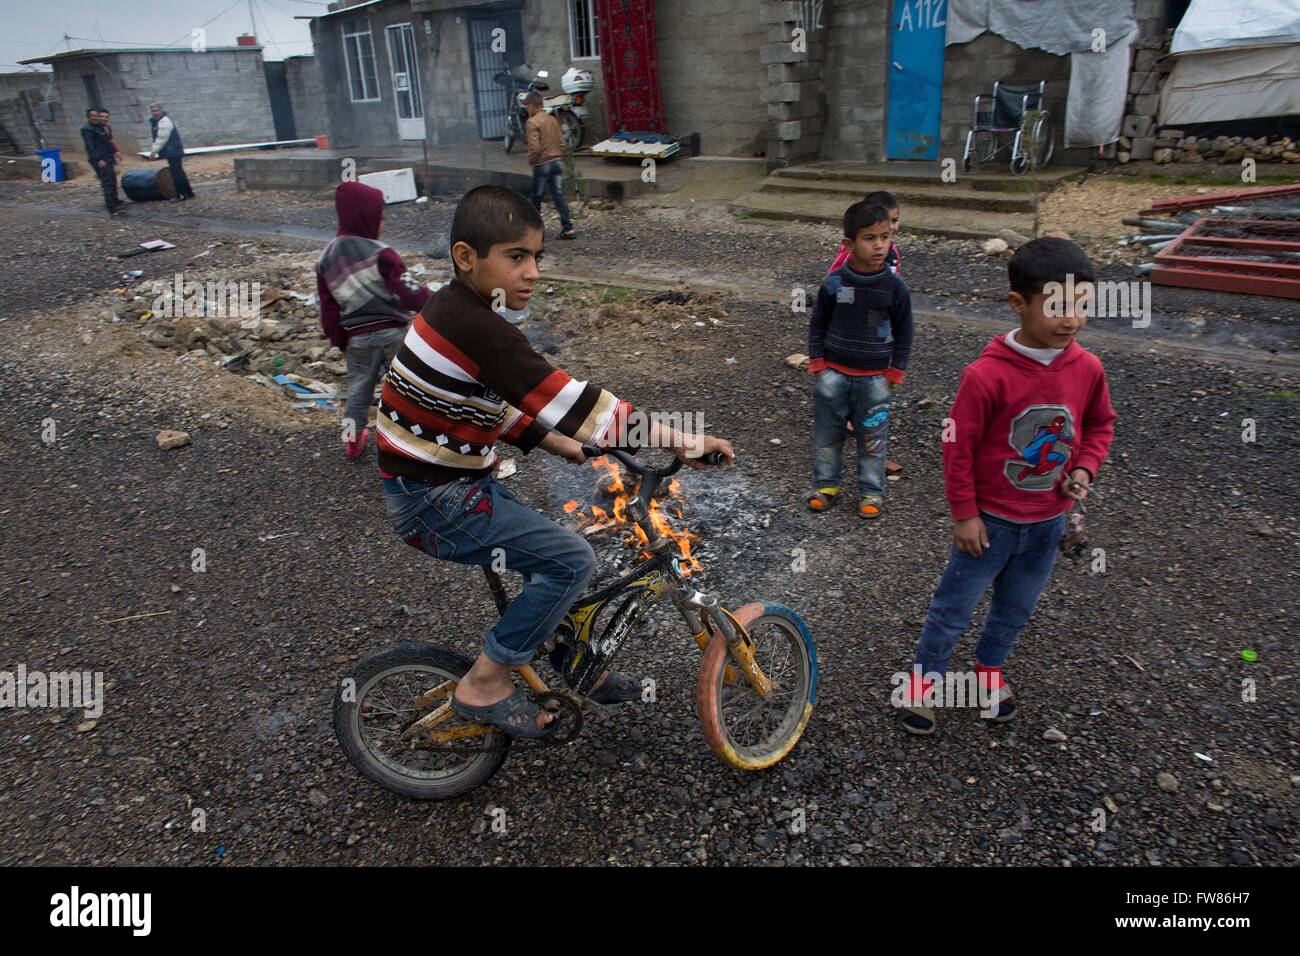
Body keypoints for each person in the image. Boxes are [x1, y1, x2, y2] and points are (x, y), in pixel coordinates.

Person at [377, 185, 733, 737]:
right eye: (516, 257)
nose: (533, 272)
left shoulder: (455, 311)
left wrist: (560, 443)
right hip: (434, 500)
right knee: (570, 560)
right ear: (466, 258)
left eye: (537, 257)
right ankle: (486, 682)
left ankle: (573, 663)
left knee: (560, 546)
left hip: (442, 485)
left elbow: (481, 402)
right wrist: (680, 439)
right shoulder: (478, 328)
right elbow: (574, 401)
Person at [897, 237, 1117, 735]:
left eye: (1082, 307)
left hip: (1046, 525)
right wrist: (964, 513)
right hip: (989, 524)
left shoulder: (1087, 369)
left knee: (1016, 610)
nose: (1071, 320)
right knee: (952, 609)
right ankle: (923, 680)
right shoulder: (986, 375)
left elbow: (1101, 424)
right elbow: (957, 447)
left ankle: (989, 670)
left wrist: (1083, 469)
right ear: (1018, 303)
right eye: (1058, 307)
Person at [807, 200, 913, 520]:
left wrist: (895, 373)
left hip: (875, 379)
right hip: (833, 375)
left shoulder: (894, 288)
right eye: (869, 238)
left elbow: (905, 332)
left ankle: (871, 491)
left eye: (884, 237)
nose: (879, 245)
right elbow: (818, 324)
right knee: (827, 435)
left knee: (873, 438)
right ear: (849, 244)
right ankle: (826, 487)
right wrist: (818, 365)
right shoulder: (835, 283)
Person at [317, 181, 431, 459]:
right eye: (379, 218)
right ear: (365, 217)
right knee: (409, 389)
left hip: (358, 338)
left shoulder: (326, 258)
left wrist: (339, 339)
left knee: (357, 392)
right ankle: (415, 443)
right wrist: (433, 304)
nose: (380, 224)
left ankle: (353, 442)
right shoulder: (381, 253)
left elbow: (329, 309)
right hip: (394, 334)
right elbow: (408, 290)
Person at [523, 91, 575, 239]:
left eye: (527, 106)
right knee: (558, 195)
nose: (527, 110)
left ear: (533, 106)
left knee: (536, 197)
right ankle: (568, 228)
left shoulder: (532, 122)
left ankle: (534, 232)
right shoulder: (552, 119)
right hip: (557, 162)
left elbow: (535, 147)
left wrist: (532, 160)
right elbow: (562, 142)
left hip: (542, 164)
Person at [828, 190, 901, 275]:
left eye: (894, 221)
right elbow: (835, 275)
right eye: (870, 238)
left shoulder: (892, 249)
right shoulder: (854, 249)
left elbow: (895, 273)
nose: (891, 227)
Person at [148, 104, 195, 201]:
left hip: (172, 150)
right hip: (173, 150)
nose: (154, 113)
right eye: (153, 111)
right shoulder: (157, 121)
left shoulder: (164, 121)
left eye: (156, 111)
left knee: (175, 173)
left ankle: (181, 194)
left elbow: (162, 138)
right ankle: (189, 192)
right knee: (179, 171)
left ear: (160, 110)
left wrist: (153, 151)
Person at [80, 109, 122, 215]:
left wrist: (115, 152)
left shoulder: (101, 127)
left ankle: (115, 200)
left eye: (96, 115)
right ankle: (111, 206)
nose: (95, 117)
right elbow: (89, 147)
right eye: (92, 116)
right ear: (88, 117)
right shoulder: (87, 129)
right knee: (107, 182)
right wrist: (98, 159)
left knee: (112, 179)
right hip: (100, 159)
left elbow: (108, 142)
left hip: (107, 157)